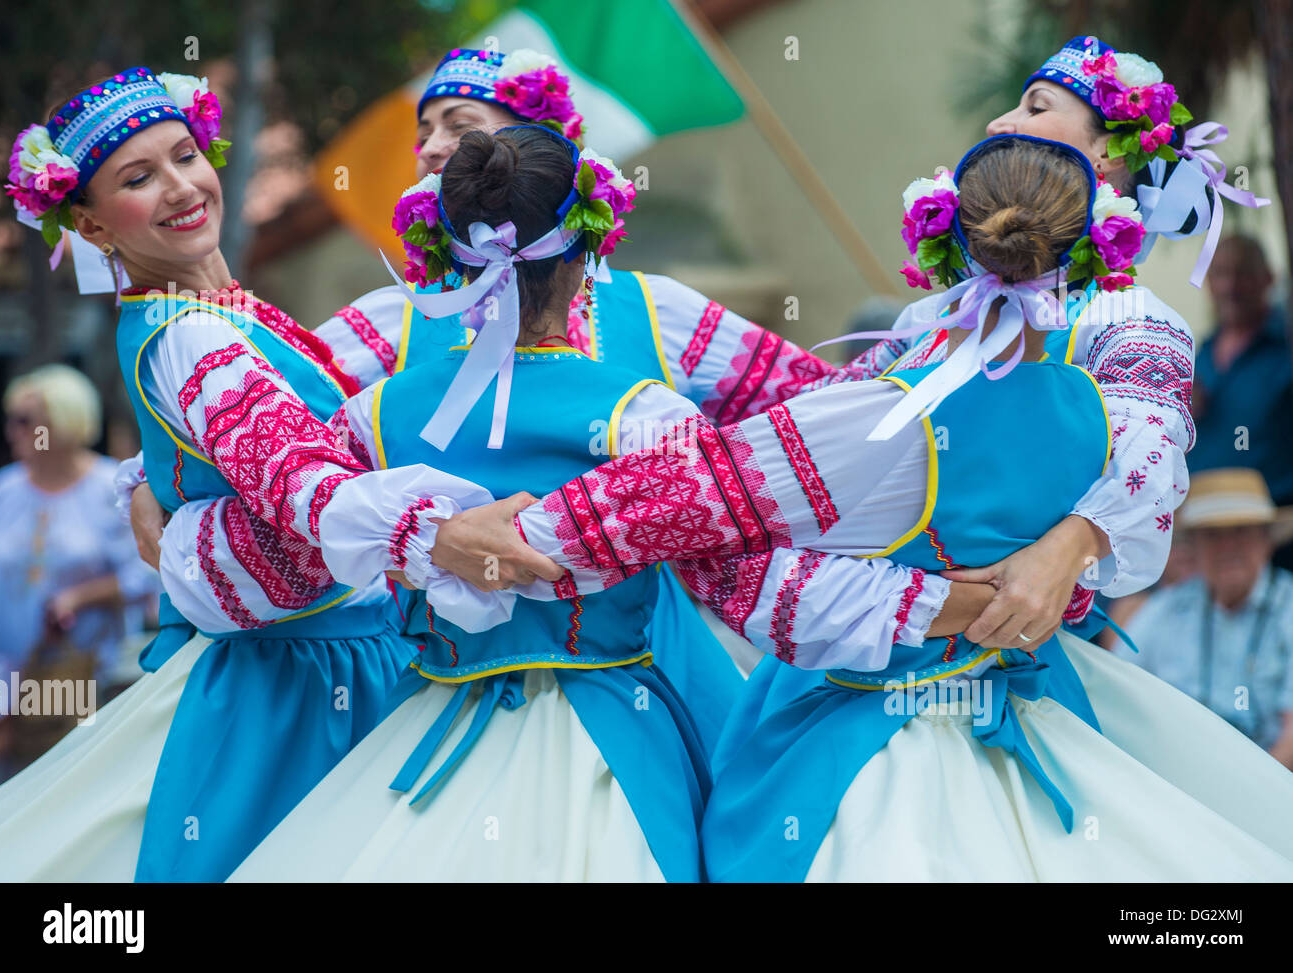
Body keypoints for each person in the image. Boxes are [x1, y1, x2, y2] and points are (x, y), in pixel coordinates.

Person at [454, 134, 1293, 881]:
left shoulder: (890, 415)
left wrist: (487, 539)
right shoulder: (1098, 412)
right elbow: (1130, 527)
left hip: (878, 747)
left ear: (944, 243)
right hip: (1031, 715)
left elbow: (696, 498)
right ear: (1077, 262)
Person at [0, 68, 559, 881]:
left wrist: (153, 482)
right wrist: (438, 535)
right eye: (138, 177)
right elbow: (301, 482)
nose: (181, 186)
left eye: (186, 156)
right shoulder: (191, 331)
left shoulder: (227, 312)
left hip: (326, 656)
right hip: (301, 679)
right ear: (87, 221)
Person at [229, 126, 711, 880]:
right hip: (610, 727)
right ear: (584, 261)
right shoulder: (647, 414)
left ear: (448, 256)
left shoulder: (375, 413)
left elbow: (285, 519)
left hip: (424, 719)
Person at [0, 365, 159, 782]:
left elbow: (148, 573)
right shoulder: (6, 488)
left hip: (83, 670)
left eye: (25, 420)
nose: (11, 429)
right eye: (10, 417)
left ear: (62, 422)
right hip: (5, 671)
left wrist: (78, 598)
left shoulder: (112, 487)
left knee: (59, 775)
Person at [1115, 468, 1293, 767]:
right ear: (1194, 547)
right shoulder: (1165, 609)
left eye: (1241, 531)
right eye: (1213, 535)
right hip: (1180, 782)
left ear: (1266, 540)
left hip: (1276, 783)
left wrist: (1256, 794)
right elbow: (1118, 694)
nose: (1227, 548)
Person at [1190, 236, 1293, 565]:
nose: (1230, 286)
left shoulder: (1285, 350)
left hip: (1275, 540)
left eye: (1243, 273)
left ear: (1268, 278)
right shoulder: (1200, 356)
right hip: (1203, 540)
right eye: (1220, 274)